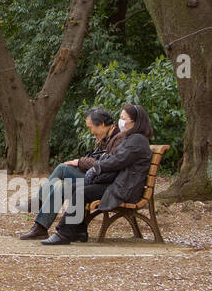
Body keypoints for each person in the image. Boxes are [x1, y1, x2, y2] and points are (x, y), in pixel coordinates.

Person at [42, 103, 153, 245]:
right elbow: (116, 159)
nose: (120, 121)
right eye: (120, 117)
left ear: (135, 121)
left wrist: (96, 168)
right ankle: (79, 231)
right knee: (75, 187)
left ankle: (64, 234)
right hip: (119, 184)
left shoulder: (137, 140)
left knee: (81, 192)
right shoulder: (132, 138)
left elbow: (117, 161)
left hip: (125, 189)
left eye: (124, 118)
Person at [18, 108, 117, 239]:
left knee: (63, 171)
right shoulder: (106, 137)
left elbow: (107, 164)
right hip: (95, 176)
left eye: (91, 127)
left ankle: (39, 206)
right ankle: (40, 225)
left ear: (102, 124)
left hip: (102, 181)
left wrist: (80, 162)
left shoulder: (117, 139)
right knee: (61, 179)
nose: (91, 132)